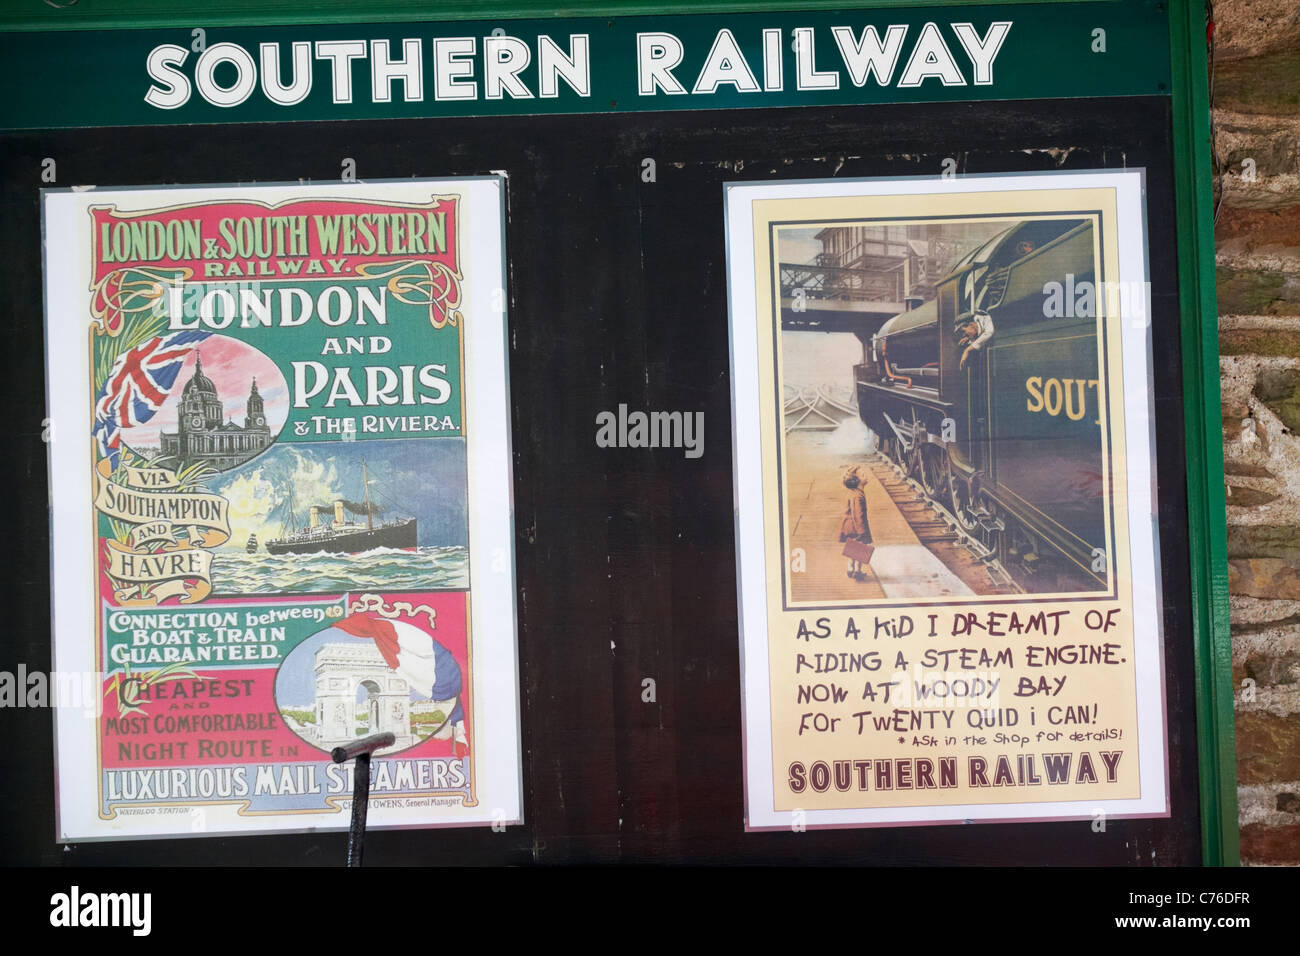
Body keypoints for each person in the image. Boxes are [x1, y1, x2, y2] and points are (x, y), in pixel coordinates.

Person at [838, 466, 872, 580]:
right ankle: (857, 571)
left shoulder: (854, 492)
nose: (866, 476)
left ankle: (850, 568)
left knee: (853, 547)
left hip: (850, 524)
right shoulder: (858, 496)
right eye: (862, 475)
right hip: (855, 525)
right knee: (860, 547)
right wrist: (862, 529)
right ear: (857, 481)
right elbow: (858, 514)